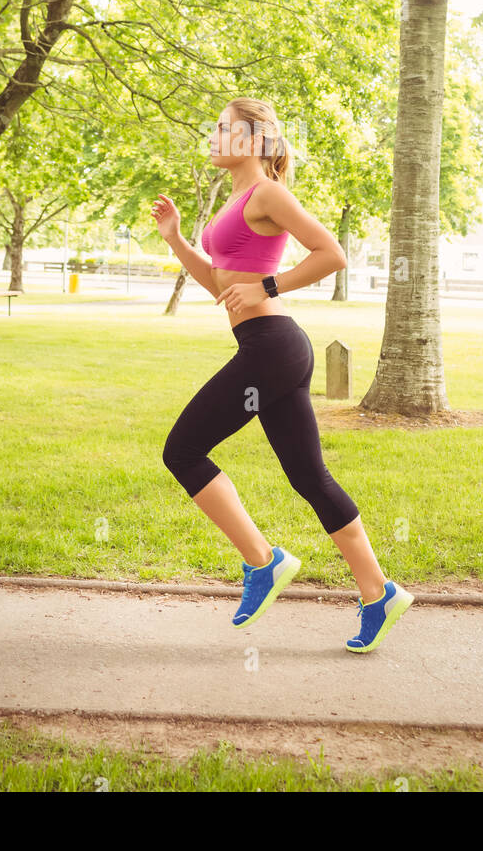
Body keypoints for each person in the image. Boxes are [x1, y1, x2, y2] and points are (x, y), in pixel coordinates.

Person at [150, 96, 414, 653]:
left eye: (224, 129)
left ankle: (263, 562)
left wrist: (269, 286)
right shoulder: (237, 199)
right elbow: (224, 287)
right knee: (310, 478)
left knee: (183, 451)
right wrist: (177, 239)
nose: (215, 135)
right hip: (271, 348)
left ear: (253, 141)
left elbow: (332, 253)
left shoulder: (268, 193)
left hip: (271, 349)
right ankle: (378, 592)